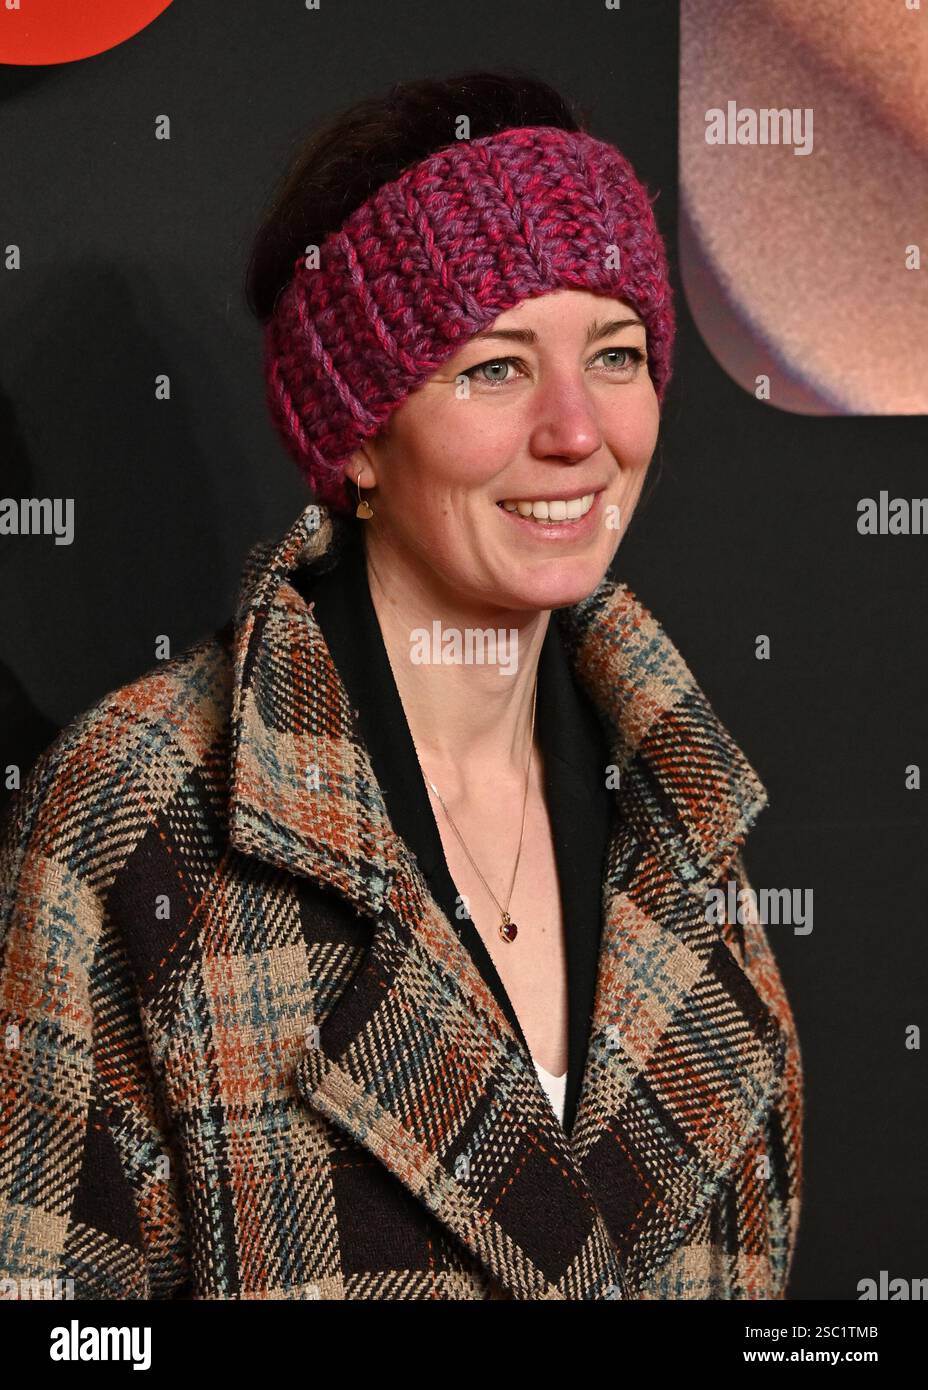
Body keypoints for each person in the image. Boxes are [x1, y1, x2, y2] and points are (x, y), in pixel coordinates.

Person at [0, 71, 802, 1300]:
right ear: (359, 437)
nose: (578, 431)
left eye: (618, 353)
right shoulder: (136, 816)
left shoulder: (678, 809)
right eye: (493, 368)